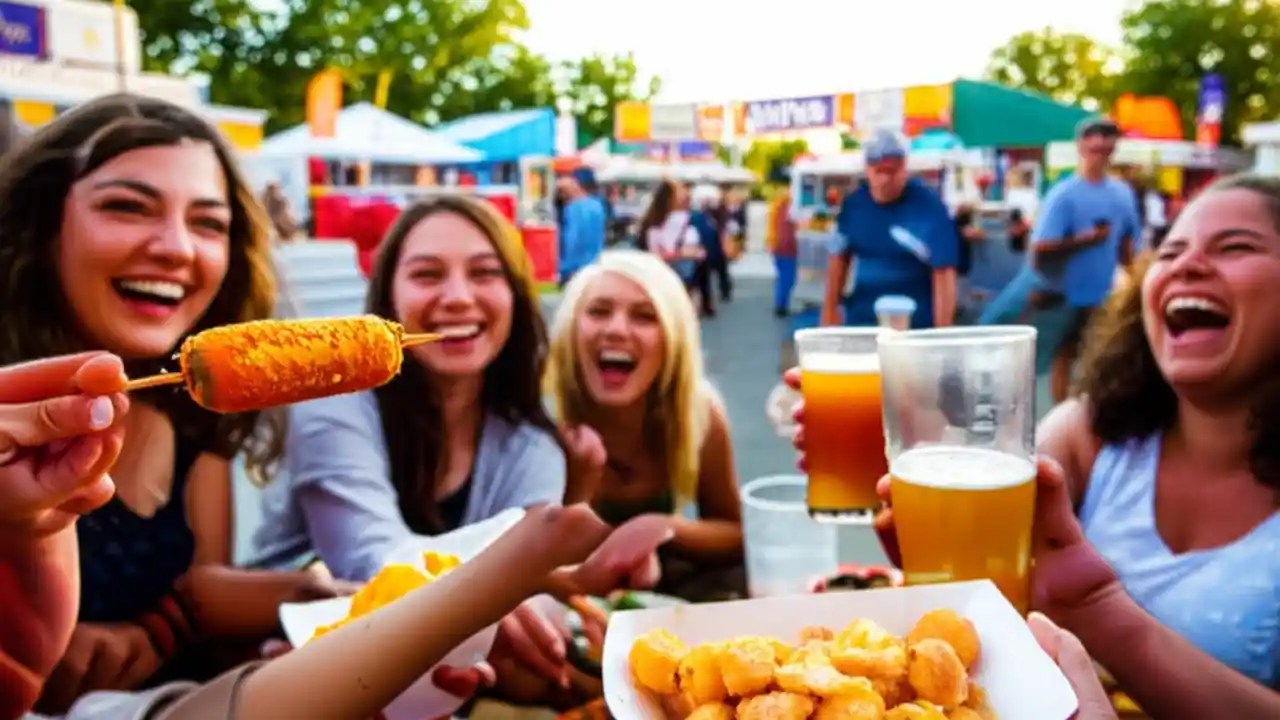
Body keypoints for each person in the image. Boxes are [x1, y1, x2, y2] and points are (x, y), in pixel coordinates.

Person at [784, 174, 1280, 718]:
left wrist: (1097, 613)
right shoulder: (1094, 430)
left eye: (1235, 247)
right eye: (1170, 250)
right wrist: (891, 440)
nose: (1186, 265)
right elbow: (980, 490)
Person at [0, 352, 673, 719]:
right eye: (428, 270)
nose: (174, 245)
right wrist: (511, 574)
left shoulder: (526, 432)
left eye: (209, 221)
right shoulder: (337, 415)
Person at [0, 93, 341, 711]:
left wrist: (337, 596)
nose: (178, 248)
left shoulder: (197, 414)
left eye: (208, 223)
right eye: (128, 207)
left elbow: (195, 591)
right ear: (43, 225)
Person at [255, 194, 582, 701]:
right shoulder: (331, 407)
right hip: (277, 672)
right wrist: (488, 599)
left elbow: (525, 585)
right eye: (427, 275)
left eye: (484, 273)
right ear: (387, 299)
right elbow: (370, 560)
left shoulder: (533, 447)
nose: (457, 297)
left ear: (516, 296)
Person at [545, 250, 745, 602]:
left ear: (672, 341)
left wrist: (662, 528)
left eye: (644, 316)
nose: (617, 330)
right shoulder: (542, 417)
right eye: (599, 311)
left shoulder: (698, 413)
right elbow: (508, 568)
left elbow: (736, 534)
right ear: (571, 330)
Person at [1016, 118, 1141, 402]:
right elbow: (1040, 249)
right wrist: (1088, 239)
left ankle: (1087, 418)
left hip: (1102, 295)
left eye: (1107, 138)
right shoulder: (1063, 194)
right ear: (1080, 146)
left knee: (1101, 358)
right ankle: (1061, 418)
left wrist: (1134, 285)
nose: (1099, 145)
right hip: (1063, 295)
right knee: (1063, 354)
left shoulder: (1122, 193)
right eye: (1092, 138)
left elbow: (1126, 243)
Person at [821, 129, 959, 328]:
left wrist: (941, 335)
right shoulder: (853, 206)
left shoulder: (930, 209)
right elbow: (837, 262)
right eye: (879, 171)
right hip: (863, 322)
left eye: (892, 171)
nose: (885, 179)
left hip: (915, 326)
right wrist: (828, 321)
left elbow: (944, 274)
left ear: (904, 168)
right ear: (867, 169)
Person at [637, 179, 704, 287]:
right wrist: (683, 253)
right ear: (672, 198)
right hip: (678, 276)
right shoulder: (683, 219)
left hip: (656, 276)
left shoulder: (649, 222)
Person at [556, 174, 606, 289]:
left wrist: (565, 267)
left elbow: (572, 238)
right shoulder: (597, 205)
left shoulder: (572, 208)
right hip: (594, 262)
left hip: (575, 266)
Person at [767, 186, 798, 318]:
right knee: (787, 277)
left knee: (783, 277)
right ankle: (781, 305)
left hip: (778, 247)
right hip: (785, 249)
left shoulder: (777, 206)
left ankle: (781, 304)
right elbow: (786, 233)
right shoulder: (786, 208)